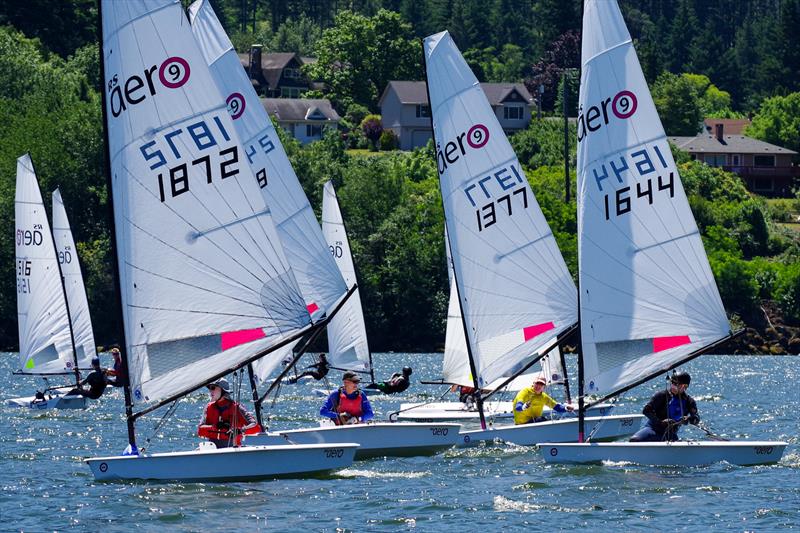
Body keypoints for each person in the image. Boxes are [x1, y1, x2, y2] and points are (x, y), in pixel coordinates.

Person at [630, 372, 699, 442]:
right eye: (672, 383)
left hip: (670, 434)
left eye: (677, 384)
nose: (673, 386)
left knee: (673, 439)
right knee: (634, 440)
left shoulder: (689, 401)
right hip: (652, 429)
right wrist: (661, 422)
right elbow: (646, 411)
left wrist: (689, 419)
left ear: (685, 386)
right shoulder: (661, 395)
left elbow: (696, 418)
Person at [197, 378, 260, 448]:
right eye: (209, 388)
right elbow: (200, 430)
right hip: (213, 448)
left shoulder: (237, 407)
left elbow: (255, 426)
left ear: (223, 390)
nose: (210, 391)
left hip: (233, 448)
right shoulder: (209, 407)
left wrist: (240, 430)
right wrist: (214, 427)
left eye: (213, 388)